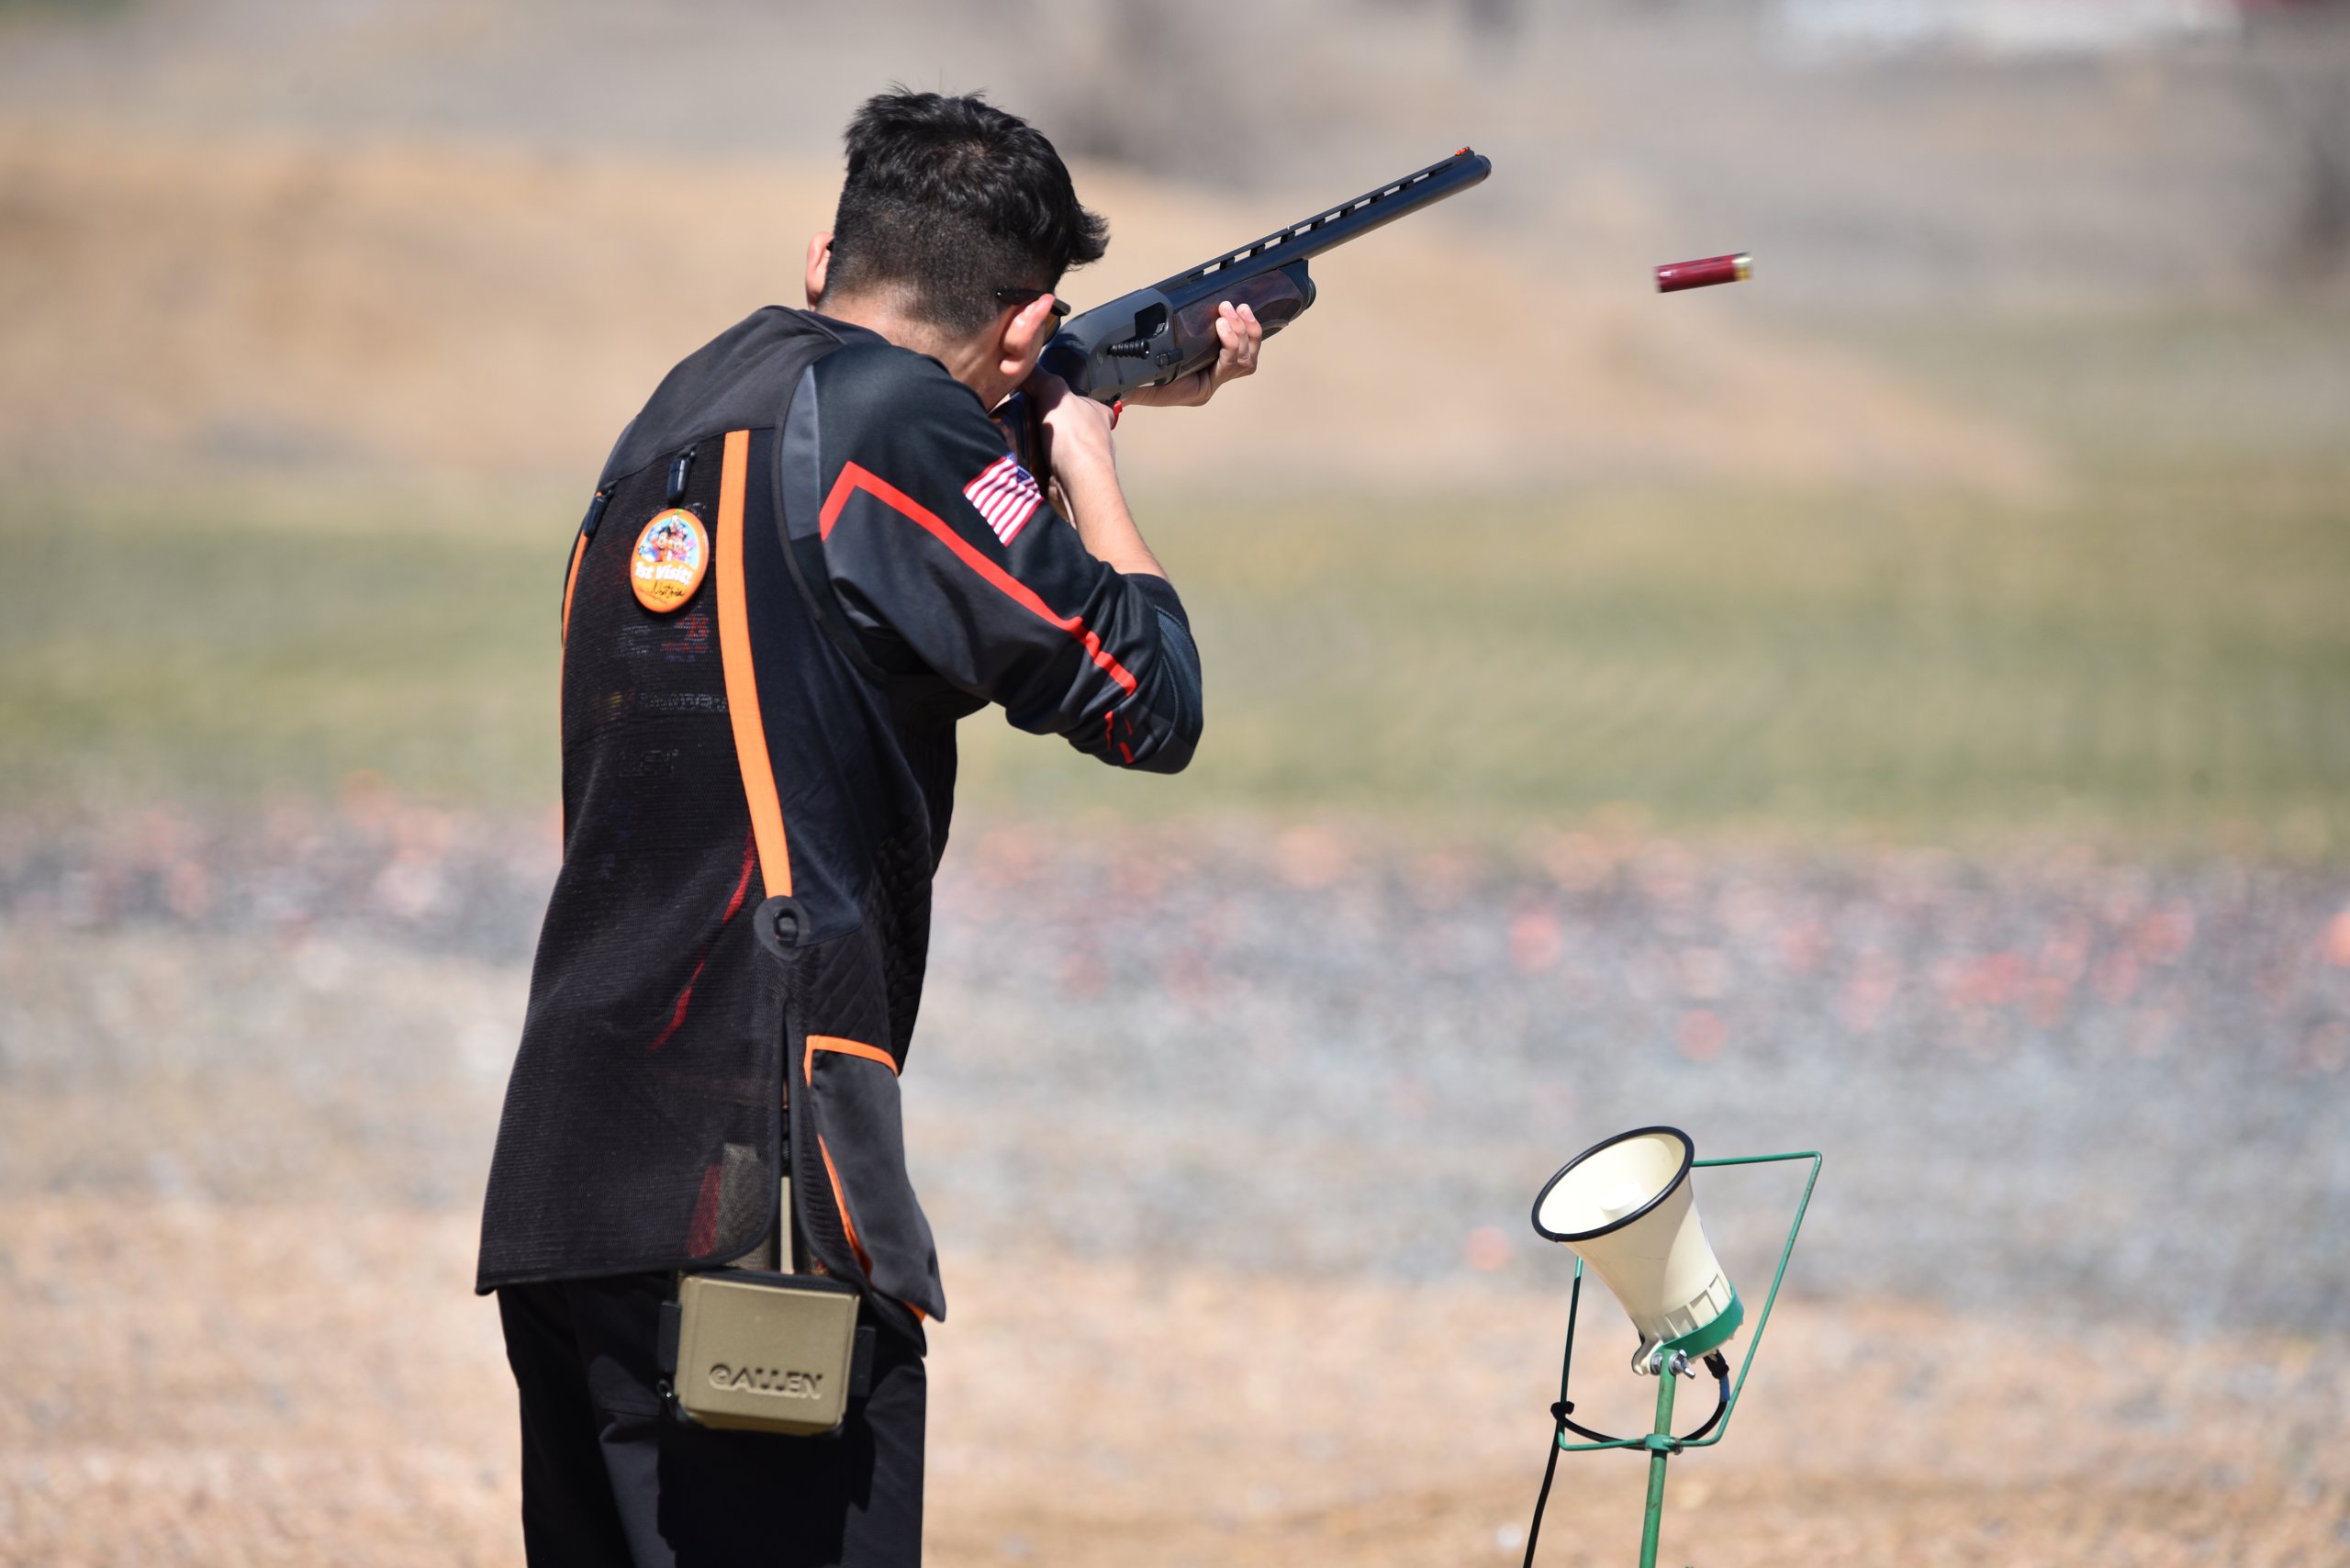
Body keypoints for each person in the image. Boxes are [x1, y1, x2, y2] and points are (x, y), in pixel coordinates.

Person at [474, 89, 1261, 1567]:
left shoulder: (686, 404)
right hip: (757, 1187)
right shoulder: (896, 429)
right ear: (1024, 332)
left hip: (572, 1171)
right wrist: (1083, 448)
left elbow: (832, 646)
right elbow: (1149, 699)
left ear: (826, 248)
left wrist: (1026, 421)